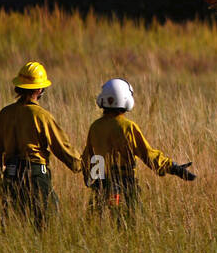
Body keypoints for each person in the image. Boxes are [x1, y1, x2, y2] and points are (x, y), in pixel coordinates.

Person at [82, 78, 196, 224]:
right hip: (125, 187)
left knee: (96, 226)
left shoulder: (95, 127)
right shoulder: (128, 127)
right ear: (126, 100)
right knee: (130, 226)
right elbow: (148, 154)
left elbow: (88, 158)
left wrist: (91, 180)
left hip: (100, 187)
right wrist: (173, 167)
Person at [0, 61, 83, 230]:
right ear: (39, 90)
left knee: (12, 225)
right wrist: (79, 165)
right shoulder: (41, 115)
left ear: (19, 87)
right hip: (36, 175)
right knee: (48, 222)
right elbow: (61, 146)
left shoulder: (5, 114)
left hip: (10, 175)